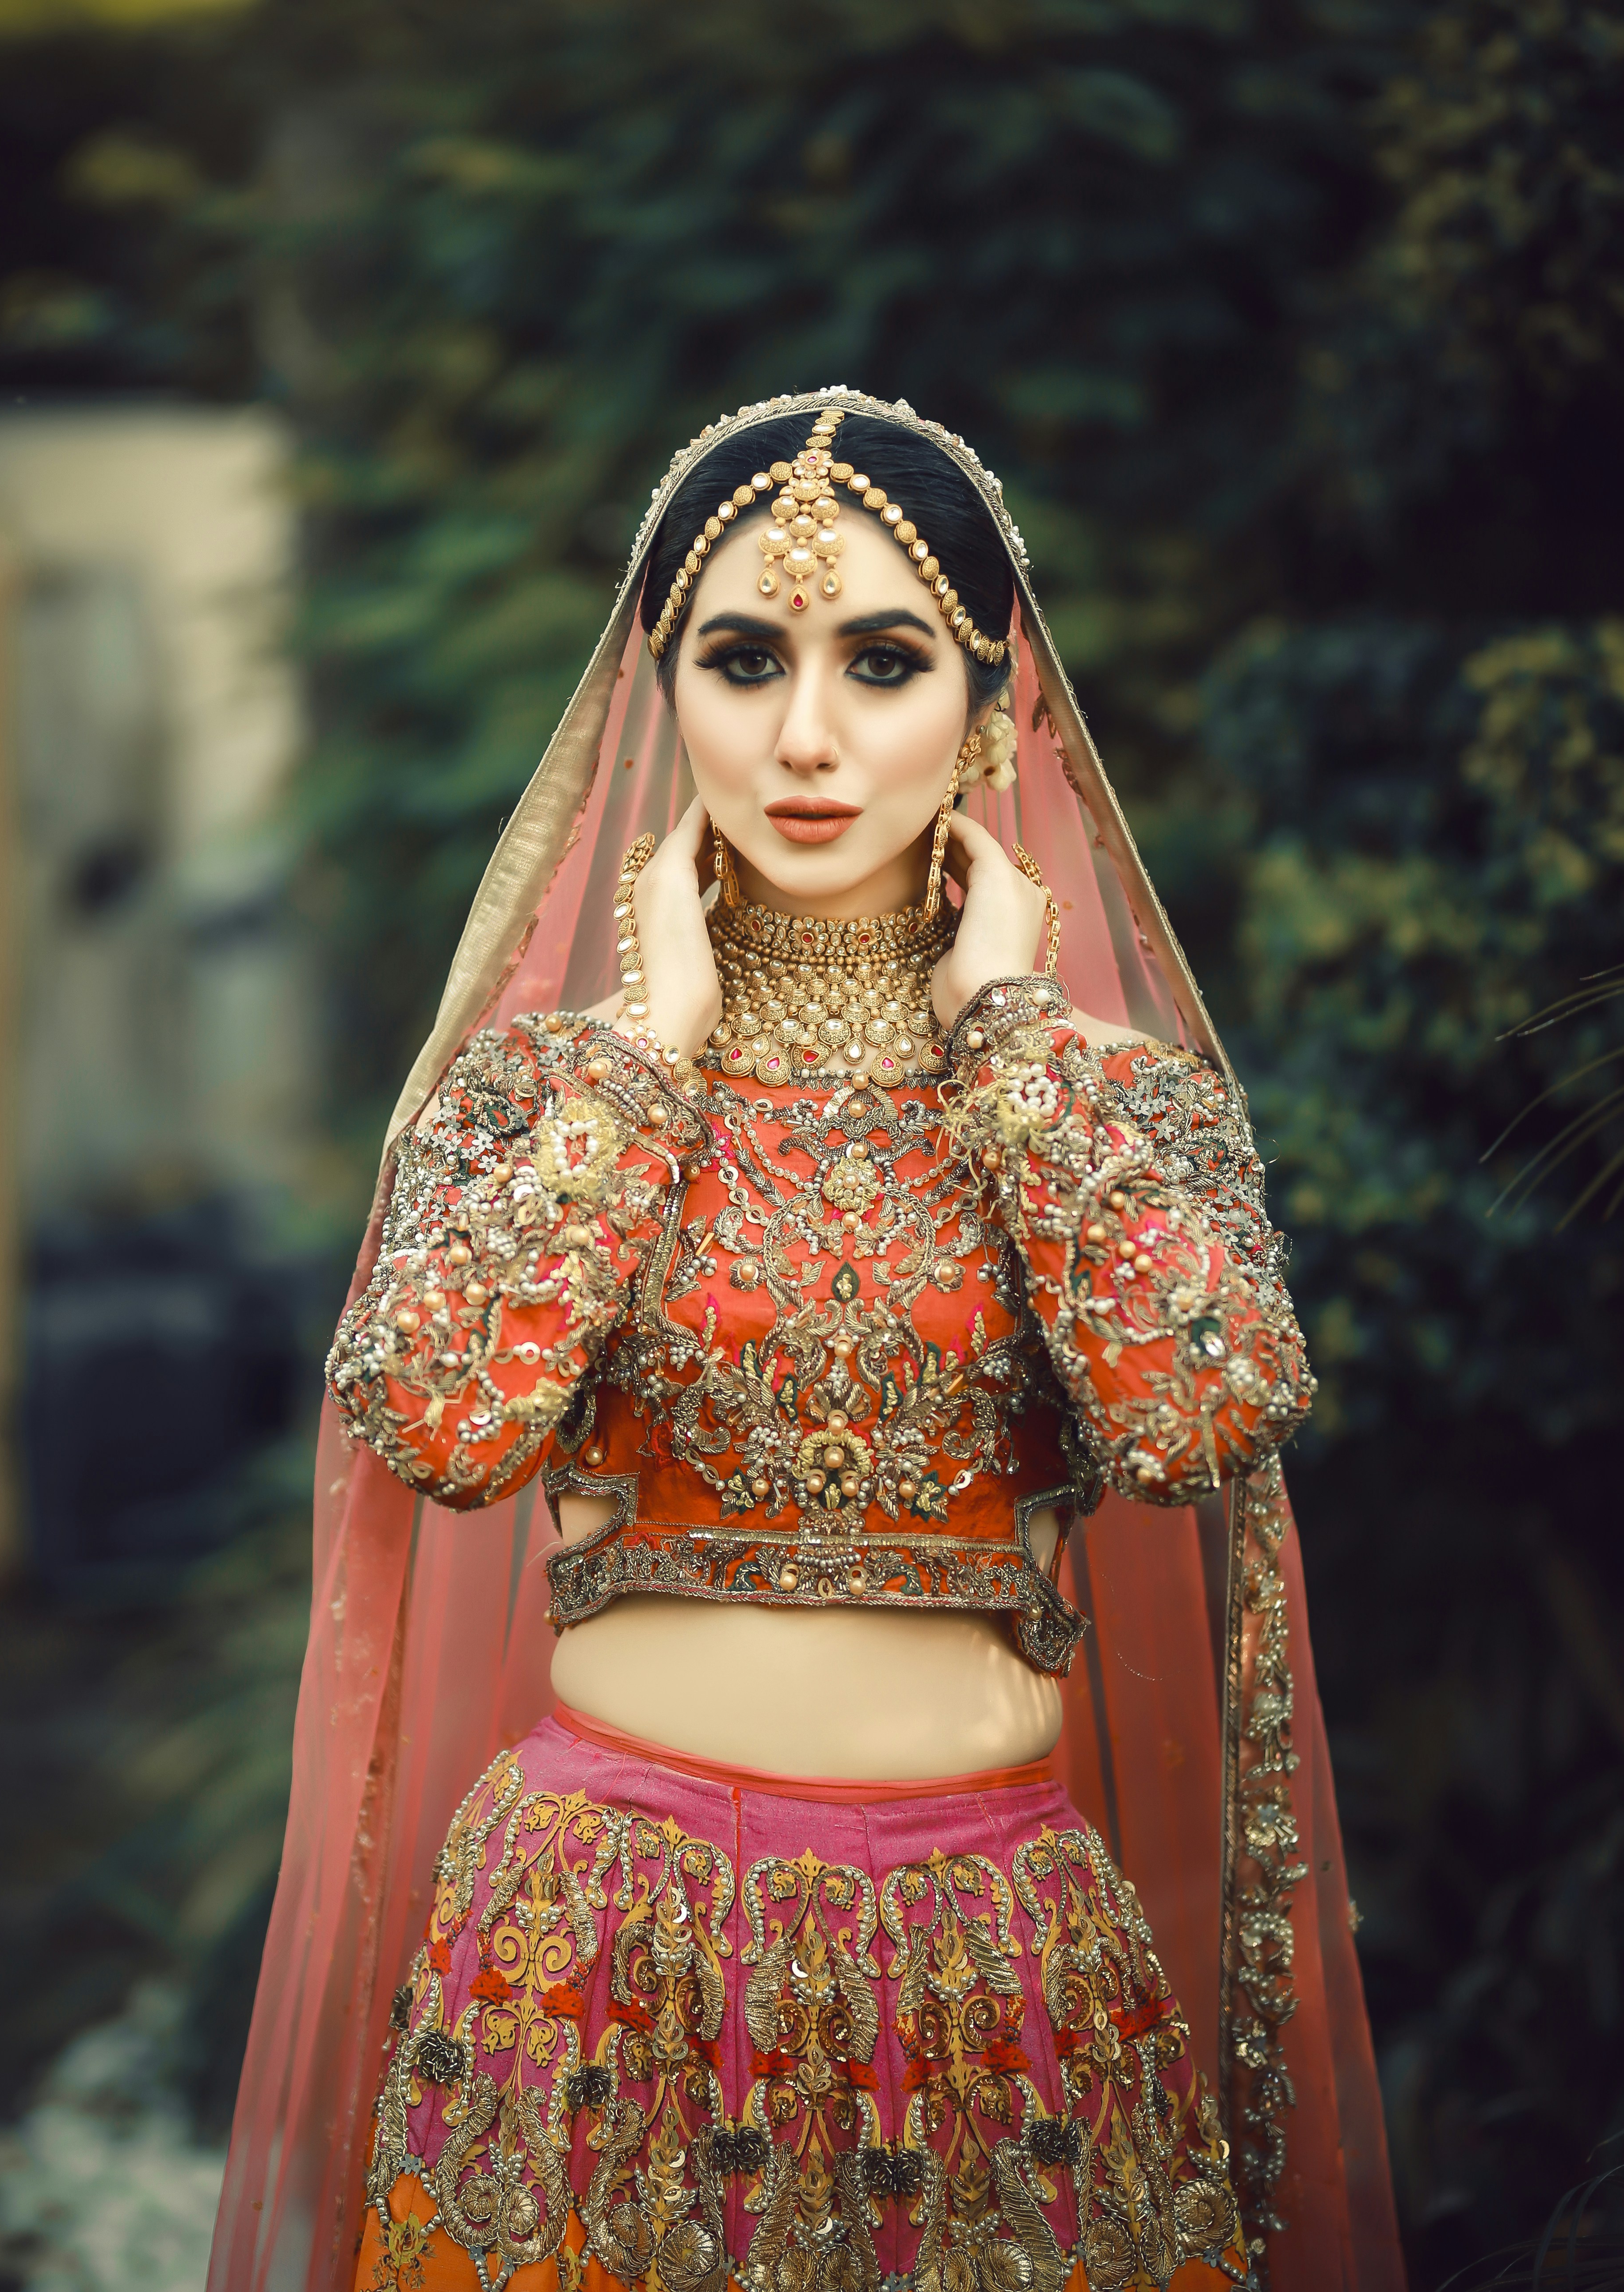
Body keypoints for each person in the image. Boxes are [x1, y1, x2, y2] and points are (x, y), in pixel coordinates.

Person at [210, 391, 1405, 2292]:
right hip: (595, 1960)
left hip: (990, 1965)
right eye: (748, 660)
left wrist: (1006, 1037)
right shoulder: (549, 1089)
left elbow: (1209, 1409)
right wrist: (654, 1047)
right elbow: (436, 1420)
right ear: (661, 691)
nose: (808, 738)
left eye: (886, 662)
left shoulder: (1098, 1095)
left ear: (991, 704)